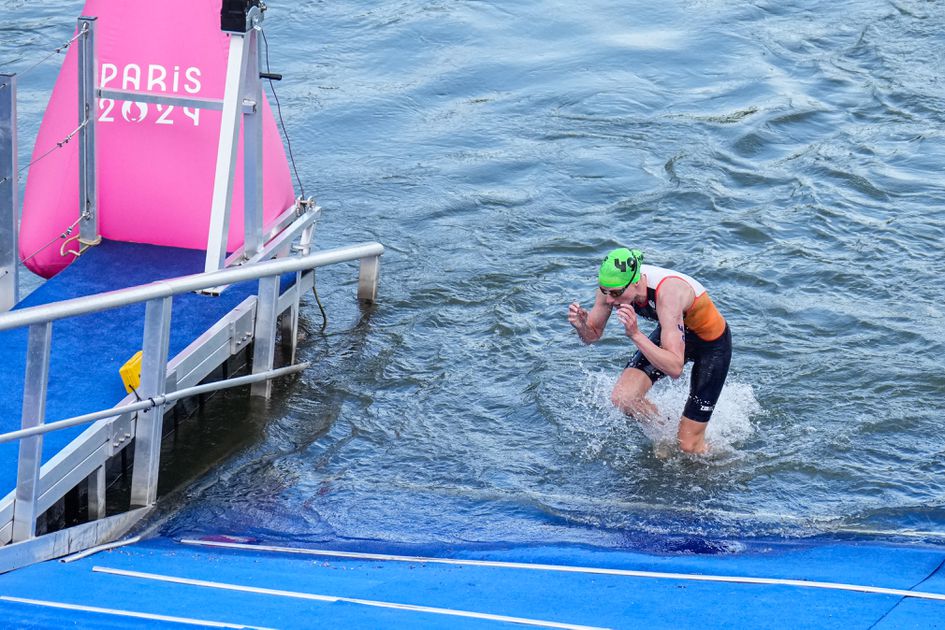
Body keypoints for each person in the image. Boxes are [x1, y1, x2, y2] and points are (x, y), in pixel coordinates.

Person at [567, 247, 731, 454]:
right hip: (673, 331)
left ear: (636, 282)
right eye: (604, 291)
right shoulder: (610, 287)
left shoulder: (668, 293)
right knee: (624, 398)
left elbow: (675, 368)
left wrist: (635, 335)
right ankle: (666, 430)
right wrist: (581, 326)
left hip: (712, 345)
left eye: (616, 293)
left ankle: (723, 462)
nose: (609, 300)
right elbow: (592, 336)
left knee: (688, 446)